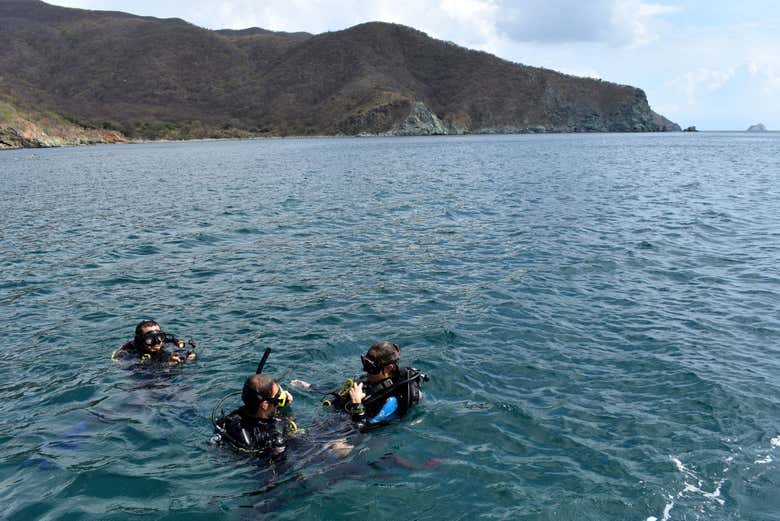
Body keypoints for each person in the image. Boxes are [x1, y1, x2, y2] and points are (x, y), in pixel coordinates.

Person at [292, 341, 428, 432]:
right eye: (365, 365)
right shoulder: (370, 380)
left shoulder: (392, 401)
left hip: (350, 434)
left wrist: (357, 403)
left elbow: (365, 428)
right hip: (337, 421)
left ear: (388, 368)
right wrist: (310, 386)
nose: (366, 371)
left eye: (371, 368)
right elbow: (340, 392)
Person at [212, 374, 297, 456]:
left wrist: (280, 404)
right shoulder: (269, 434)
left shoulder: (229, 420)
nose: (281, 395)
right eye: (278, 395)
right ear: (264, 405)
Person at [113, 319, 196, 364]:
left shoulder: (165, 341)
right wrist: (167, 364)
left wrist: (186, 356)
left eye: (159, 337)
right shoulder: (127, 353)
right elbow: (138, 373)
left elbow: (178, 350)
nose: (157, 342)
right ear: (140, 340)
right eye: (150, 339)